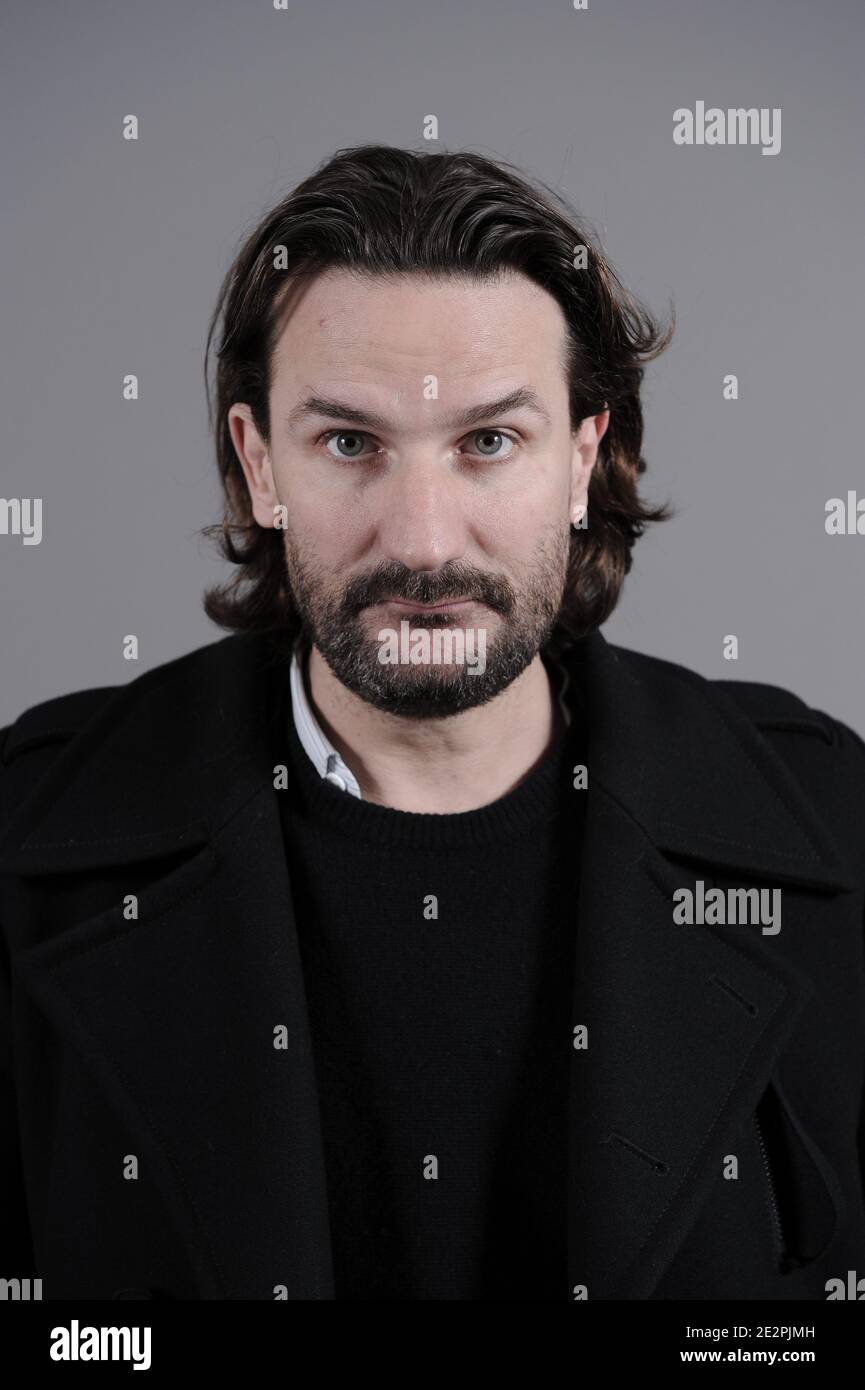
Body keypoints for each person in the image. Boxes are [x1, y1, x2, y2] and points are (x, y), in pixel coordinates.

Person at [1, 144, 863, 1302]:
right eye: (349, 443)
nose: (422, 541)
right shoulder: (27, 841)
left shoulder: (829, 825)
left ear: (580, 459)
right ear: (260, 467)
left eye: (488, 442)